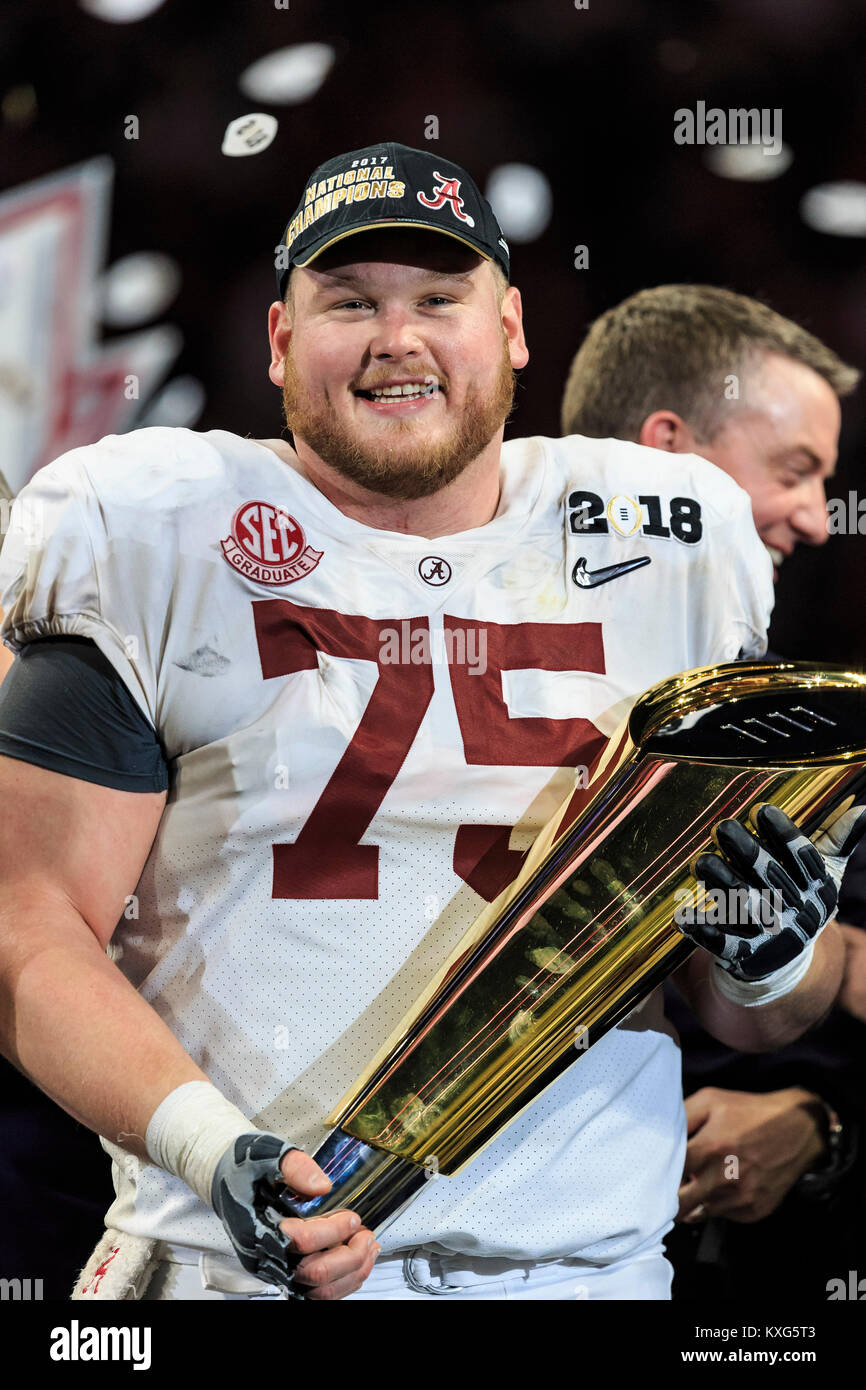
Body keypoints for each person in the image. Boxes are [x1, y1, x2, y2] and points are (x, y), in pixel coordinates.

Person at [0, 147, 855, 1304]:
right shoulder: (154, 526)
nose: (395, 338)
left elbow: (737, 1011)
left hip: (585, 1273)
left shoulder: (672, 540)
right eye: (348, 302)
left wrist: (767, 961)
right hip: (236, 1270)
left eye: (436, 301)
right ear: (278, 341)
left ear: (508, 329)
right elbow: (28, 929)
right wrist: (212, 1148)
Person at [561, 283, 866, 1298]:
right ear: (667, 456)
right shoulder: (423, 670)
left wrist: (823, 1132)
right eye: (793, 472)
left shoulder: (810, 742)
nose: (816, 521)